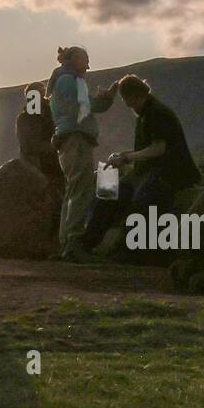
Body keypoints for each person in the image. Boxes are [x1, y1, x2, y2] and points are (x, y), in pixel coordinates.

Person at [83, 74, 199, 257]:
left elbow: (159, 148)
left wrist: (127, 158)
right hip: (148, 172)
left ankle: (121, 251)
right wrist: (124, 156)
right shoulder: (148, 113)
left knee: (138, 206)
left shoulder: (156, 113)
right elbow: (149, 148)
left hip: (168, 173)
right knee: (107, 197)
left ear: (132, 97)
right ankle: (88, 243)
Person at [47, 46, 117, 262]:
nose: (88, 65)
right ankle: (74, 243)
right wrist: (106, 98)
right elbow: (86, 106)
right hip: (77, 140)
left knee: (72, 190)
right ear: (75, 59)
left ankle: (65, 242)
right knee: (81, 190)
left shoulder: (60, 81)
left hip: (67, 140)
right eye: (85, 60)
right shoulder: (71, 80)